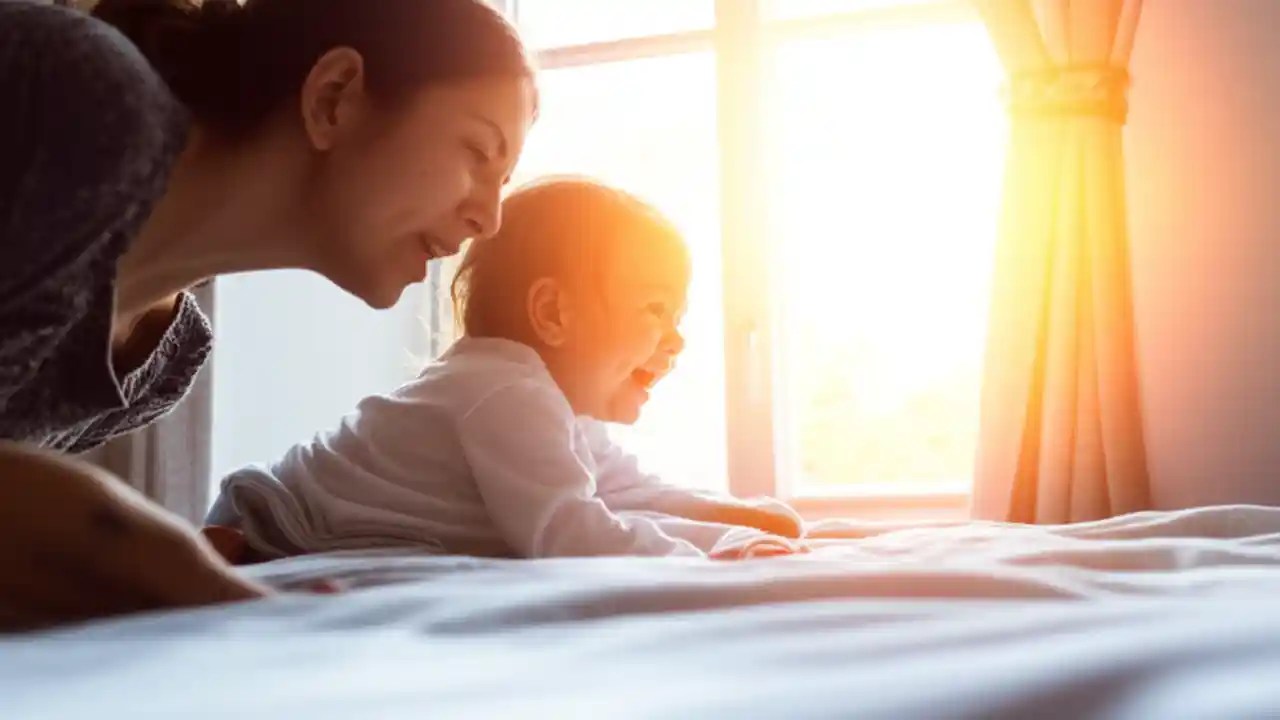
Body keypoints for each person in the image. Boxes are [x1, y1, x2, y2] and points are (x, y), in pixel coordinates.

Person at [0, 0, 537, 629]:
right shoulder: (79, 88)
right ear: (335, 97)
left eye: (503, 182)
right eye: (478, 151)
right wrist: (196, 583)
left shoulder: (163, 357)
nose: (489, 220)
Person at [210, 178, 805, 560]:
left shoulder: (553, 405)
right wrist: (717, 550)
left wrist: (735, 516)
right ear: (553, 313)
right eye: (656, 309)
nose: (676, 340)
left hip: (296, 525)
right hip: (265, 528)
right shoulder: (505, 391)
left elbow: (632, 492)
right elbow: (569, 534)